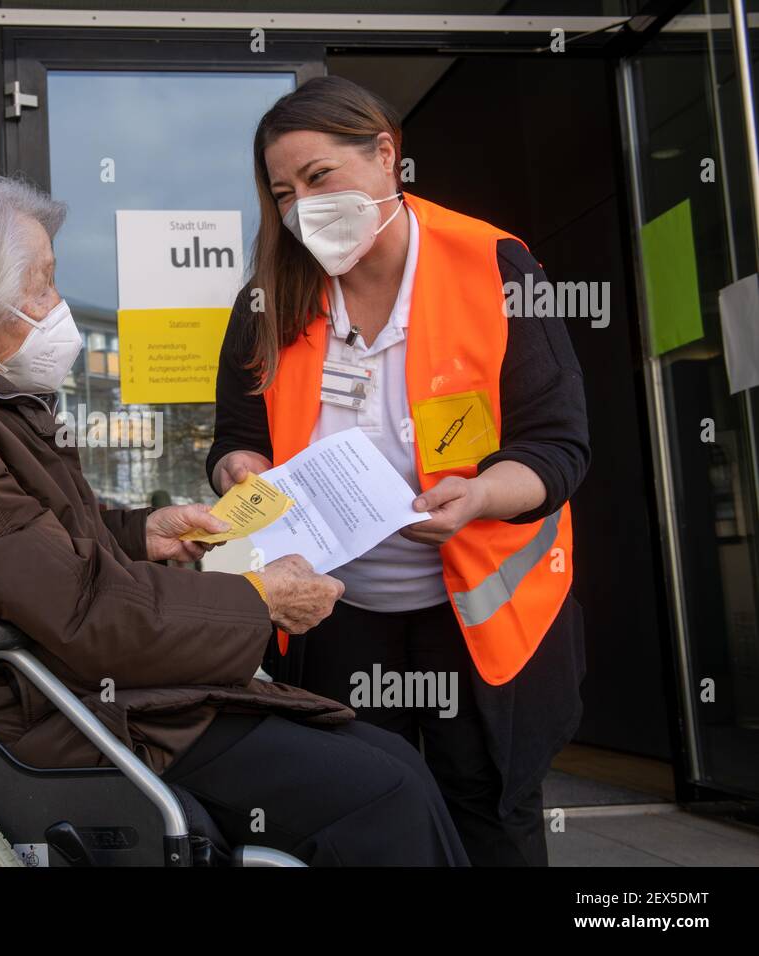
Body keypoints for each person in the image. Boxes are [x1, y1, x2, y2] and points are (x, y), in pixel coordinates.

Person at [0, 167, 468, 866]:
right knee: (382, 791)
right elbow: (79, 606)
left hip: (57, 690)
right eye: (41, 282)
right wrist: (257, 601)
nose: (56, 304)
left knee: (385, 761)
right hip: (16, 714)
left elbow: (32, 553)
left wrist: (141, 534)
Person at [208, 76, 589, 866]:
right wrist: (239, 471)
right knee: (366, 817)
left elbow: (559, 449)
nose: (303, 207)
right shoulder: (268, 297)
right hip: (335, 613)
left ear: (386, 155)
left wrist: (481, 492)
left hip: (479, 619)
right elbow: (234, 444)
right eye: (283, 192)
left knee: (490, 815)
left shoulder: (494, 265)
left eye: (320, 179)